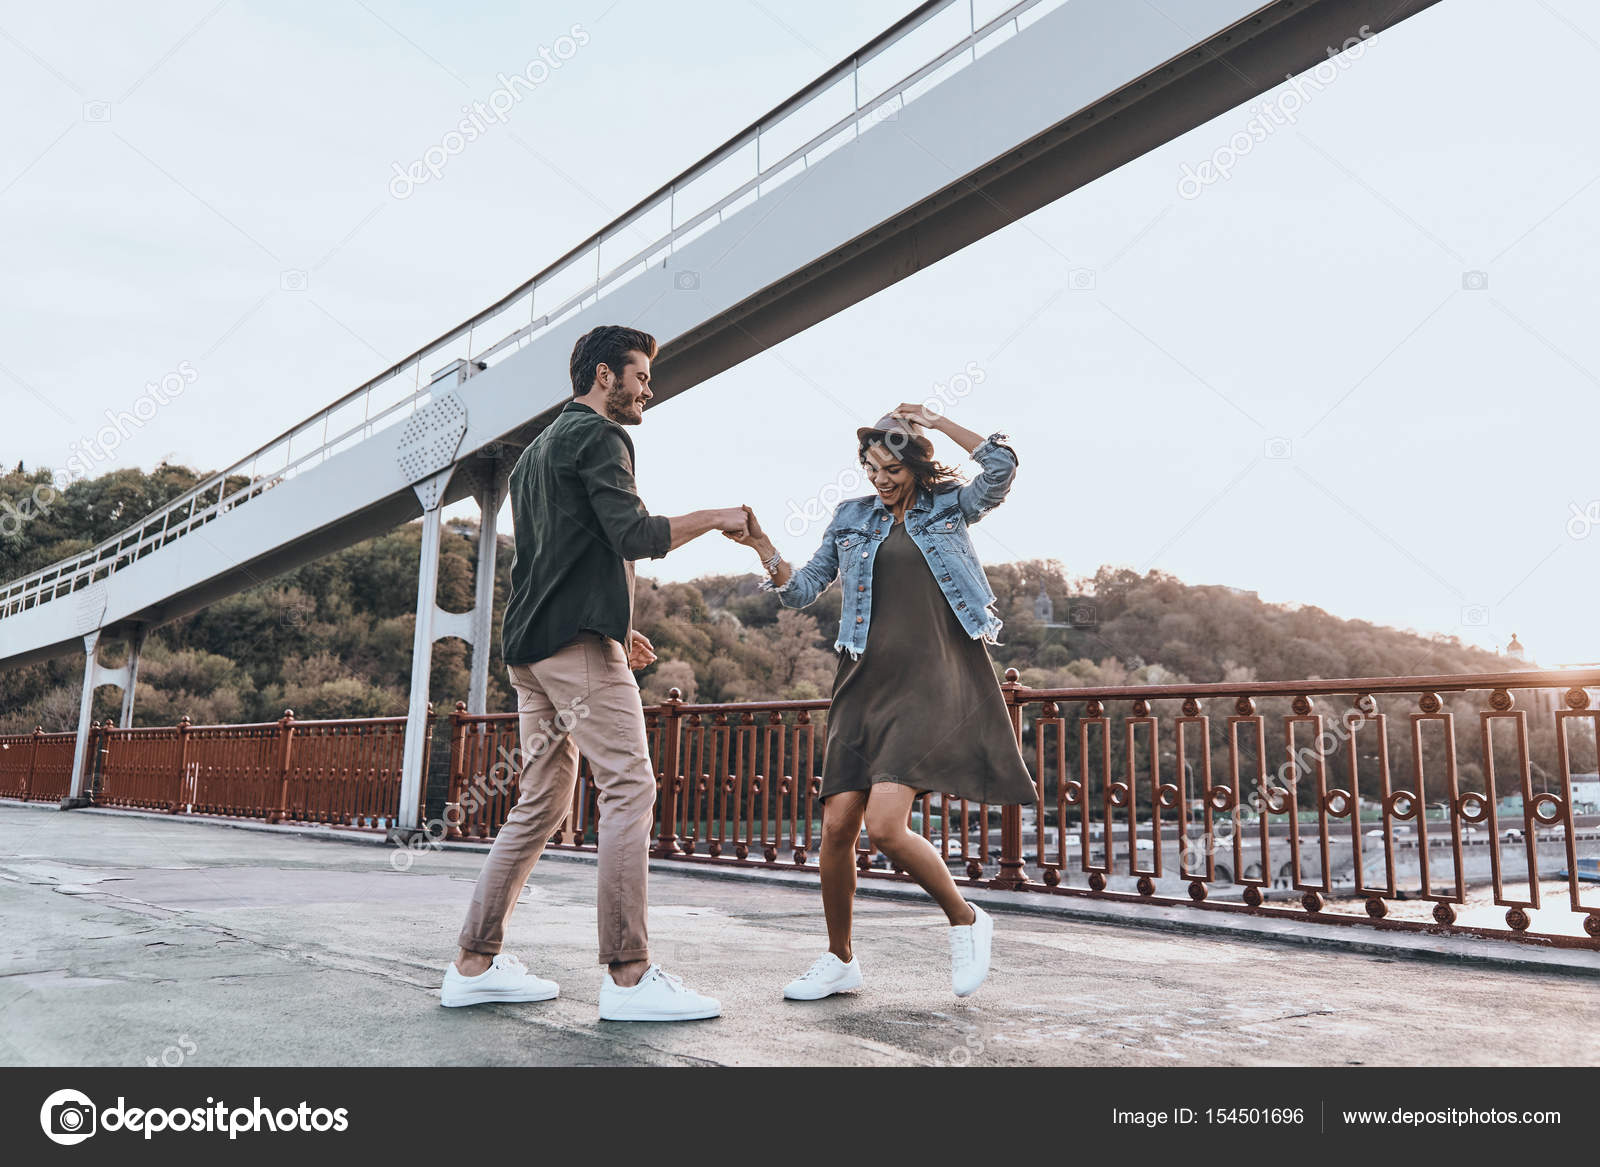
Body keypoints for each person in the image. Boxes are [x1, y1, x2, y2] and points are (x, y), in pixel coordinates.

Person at [440, 324, 750, 1022]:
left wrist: (617, 619)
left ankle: (472, 964)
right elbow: (635, 535)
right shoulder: (602, 436)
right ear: (604, 376)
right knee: (629, 787)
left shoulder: (537, 452)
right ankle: (631, 976)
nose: (649, 388)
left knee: (542, 802)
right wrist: (717, 516)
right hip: (575, 646)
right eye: (640, 375)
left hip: (531, 647)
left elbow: (555, 556)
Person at [731, 406, 1034, 999]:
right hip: (860, 683)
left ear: (915, 463)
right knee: (838, 827)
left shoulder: (949, 506)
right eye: (871, 468)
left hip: (930, 683)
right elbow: (800, 589)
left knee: (886, 828)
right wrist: (762, 544)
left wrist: (940, 421)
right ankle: (840, 959)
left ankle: (967, 919)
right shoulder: (851, 518)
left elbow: (1000, 466)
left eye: (892, 467)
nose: (881, 479)